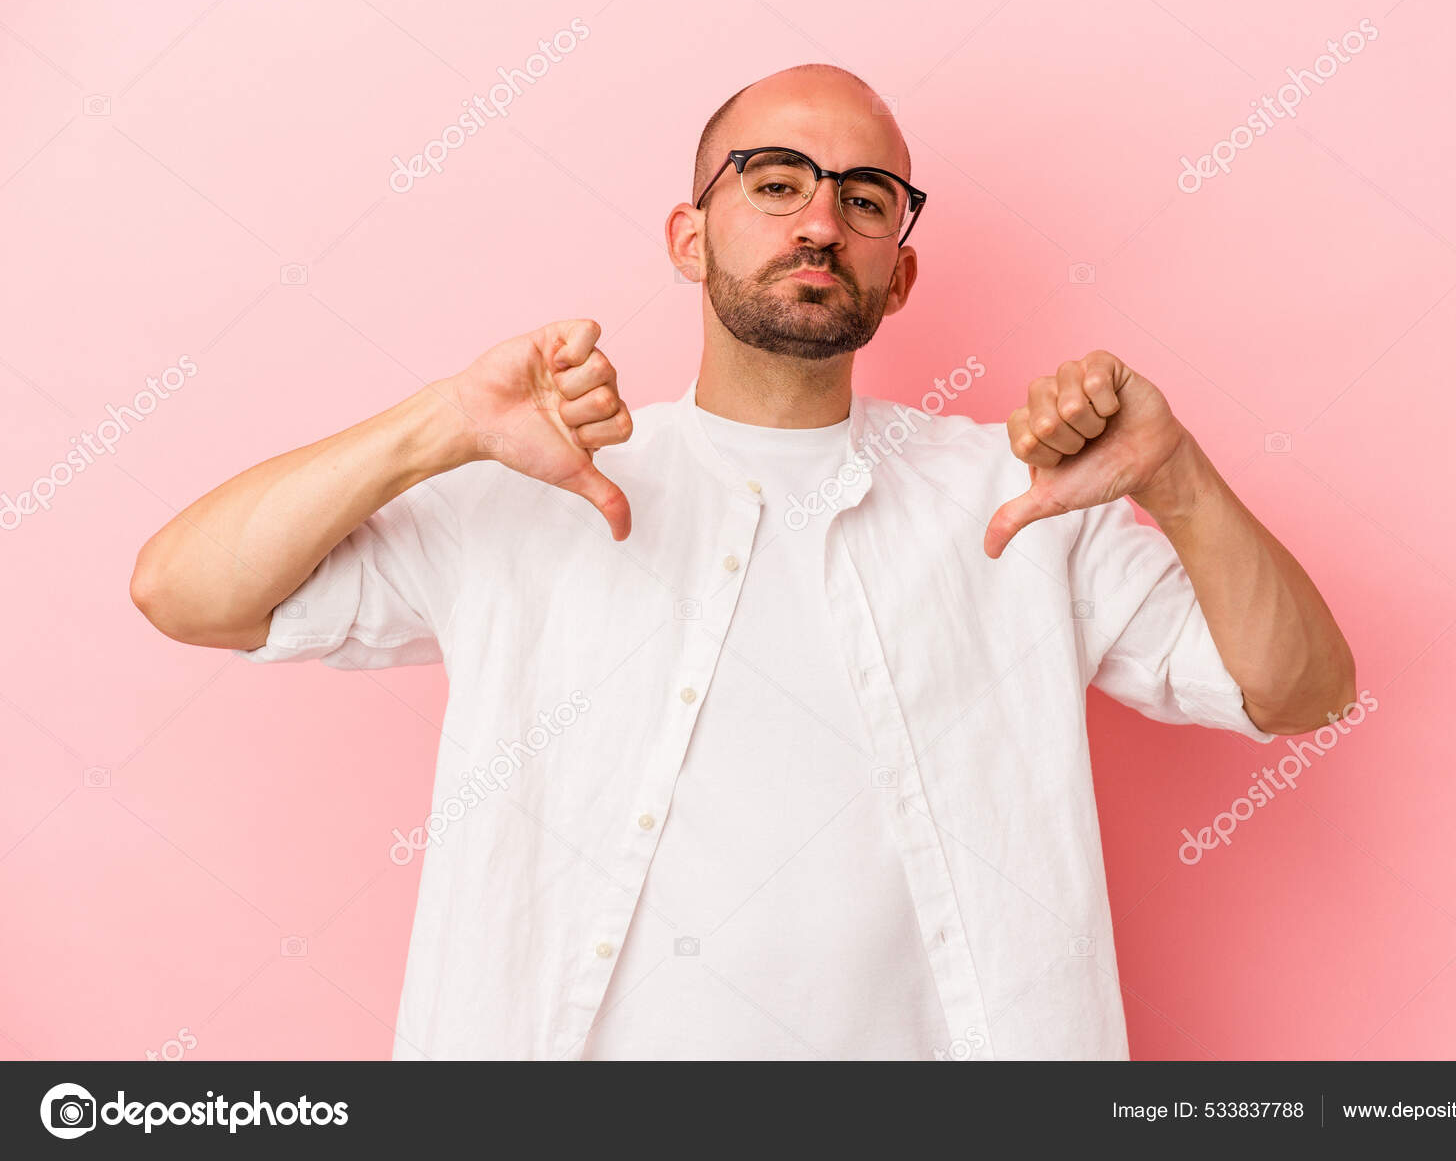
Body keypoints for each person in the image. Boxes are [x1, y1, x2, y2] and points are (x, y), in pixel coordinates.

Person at [130, 63, 1355, 1060]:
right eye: (776, 182)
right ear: (688, 232)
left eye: (866, 198)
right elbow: (184, 593)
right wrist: (436, 425)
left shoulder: (1020, 502)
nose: (821, 219)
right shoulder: (528, 486)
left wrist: (1174, 475)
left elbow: (1299, 692)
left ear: (899, 269)